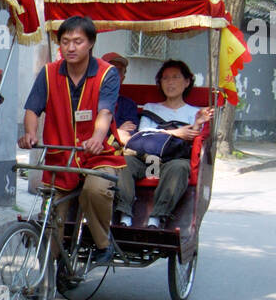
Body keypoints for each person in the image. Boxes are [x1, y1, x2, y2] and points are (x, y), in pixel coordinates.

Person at [18, 15, 124, 268]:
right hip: (61, 154)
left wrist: (97, 139)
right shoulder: (48, 73)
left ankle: (103, 243)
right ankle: (44, 276)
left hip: (97, 155)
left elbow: (105, 111)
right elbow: (33, 109)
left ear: (90, 43)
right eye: (65, 42)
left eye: (78, 41)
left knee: (96, 189)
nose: (71, 47)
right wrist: (30, 133)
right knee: (51, 217)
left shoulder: (107, 73)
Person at [113, 58, 214, 228]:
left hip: (174, 159)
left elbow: (193, 137)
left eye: (175, 77)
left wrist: (197, 124)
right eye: (165, 78)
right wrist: (175, 133)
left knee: (179, 168)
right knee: (123, 162)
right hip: (147, 158)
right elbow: (143, 133)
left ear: (187, 81)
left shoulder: (194, 112)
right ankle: (125, 212)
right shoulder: (151, 107)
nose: (170, 82)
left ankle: (157, 216)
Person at [104, 52, 140, 137]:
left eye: (119, 71)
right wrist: (117, 131)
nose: (114, 75)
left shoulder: (129, 105)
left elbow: (130, 131)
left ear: (123, 78)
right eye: (110, 70)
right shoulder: (88, 99)